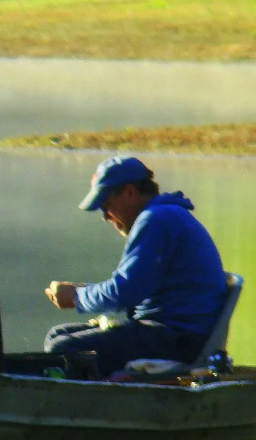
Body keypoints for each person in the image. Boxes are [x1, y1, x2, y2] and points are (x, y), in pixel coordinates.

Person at [43, 156, 226, 378]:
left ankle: (88, 407)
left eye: (106, 205)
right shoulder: (164, 216)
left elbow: (125, 291)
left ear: (130, 192)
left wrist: (77, 297)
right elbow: (133, 286)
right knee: (58, 335)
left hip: (177, 338)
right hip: (169, 332)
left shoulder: (156, 220)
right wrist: (81, 292)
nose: (105, 217)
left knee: (62, 349)